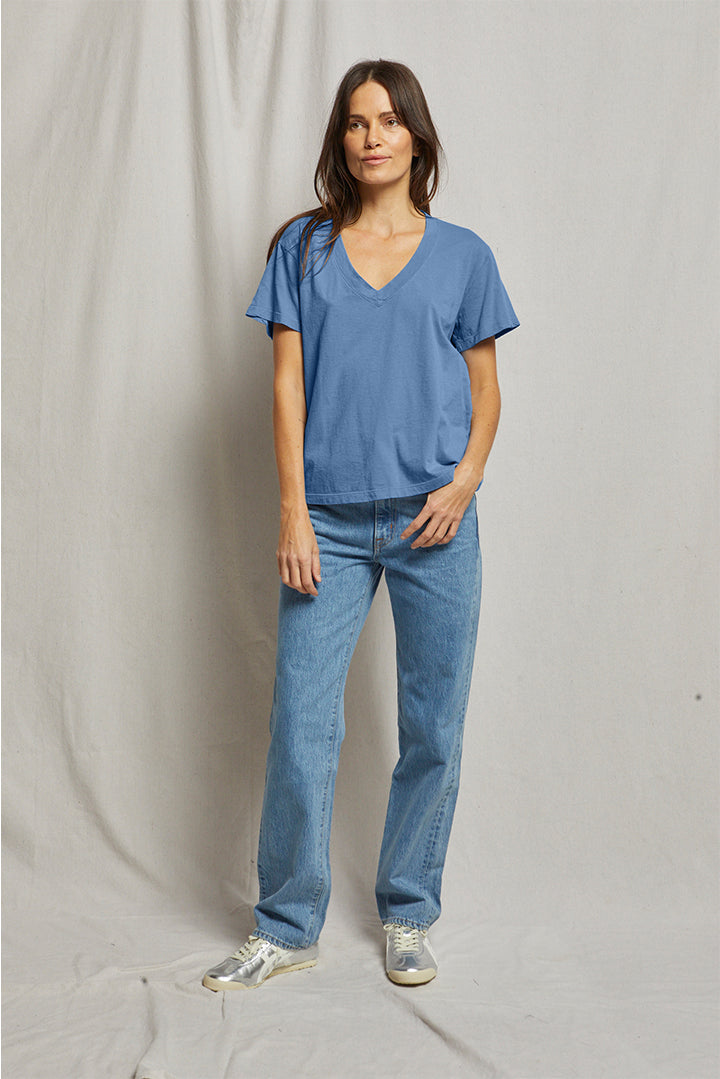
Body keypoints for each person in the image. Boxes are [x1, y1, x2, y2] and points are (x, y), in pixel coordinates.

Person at [203, 58, 518, 992]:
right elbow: (286, 388)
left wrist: (463, 484)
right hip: (329, 526)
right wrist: (293, 514)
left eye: (388, 119)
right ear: (340, 140)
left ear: (416, 136)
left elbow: (486, 390)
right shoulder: (303, 250)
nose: (371, 136)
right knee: (302, 723)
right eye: (354, 121)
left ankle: (408, 912)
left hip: (435, 521)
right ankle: (286, 924)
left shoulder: (464, 256)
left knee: (433, 726)